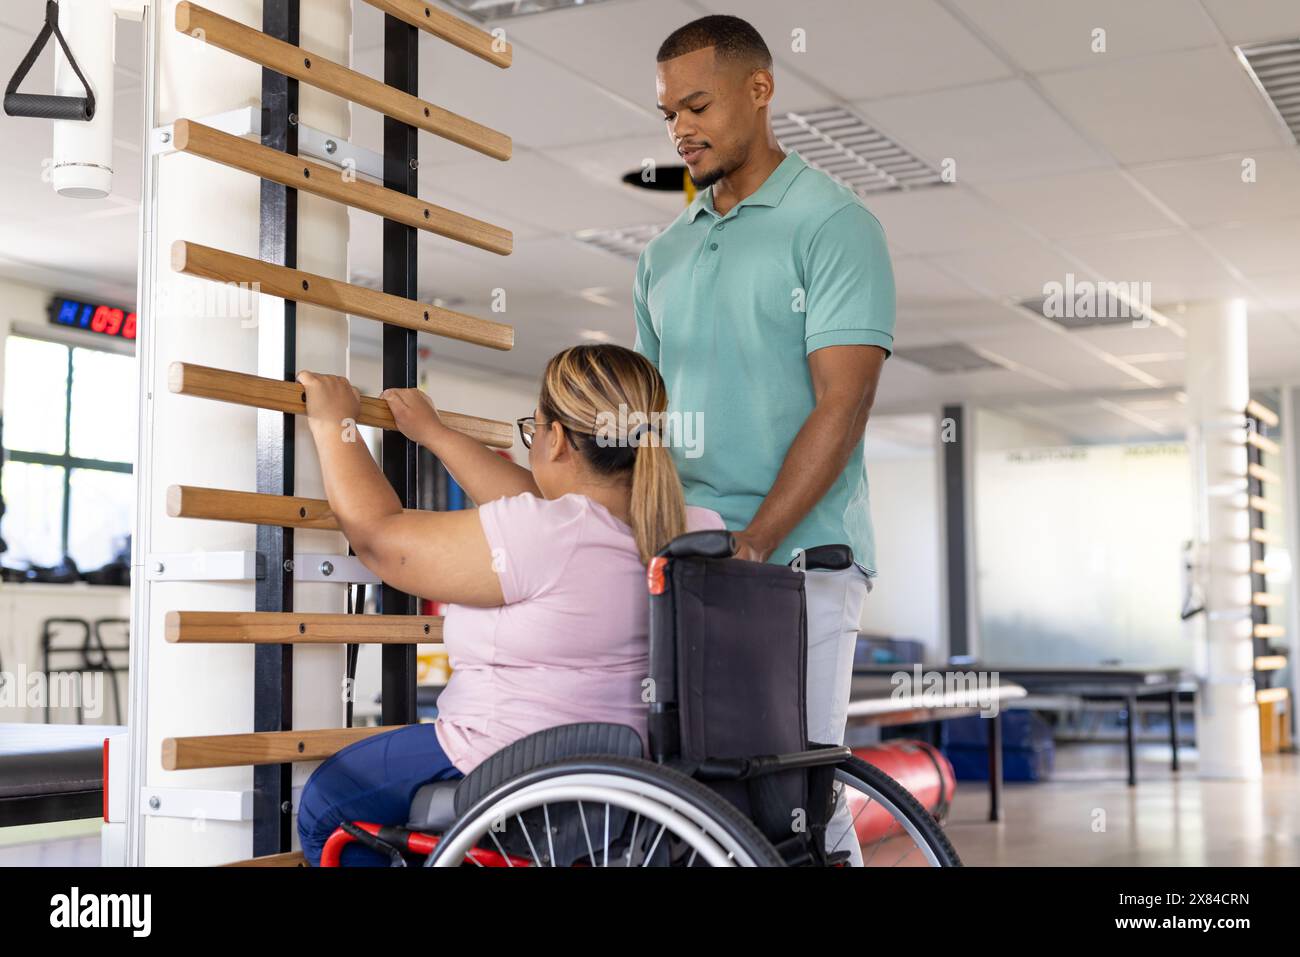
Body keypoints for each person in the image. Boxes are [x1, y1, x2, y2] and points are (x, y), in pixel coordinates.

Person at [294, 344, 724, 866]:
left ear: (558, 439)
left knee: (325, 802)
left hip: (509, 760)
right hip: (626, 772)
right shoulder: (694, 527)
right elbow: (539, 510)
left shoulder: (552, 534)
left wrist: (335, 423)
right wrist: (437, 435)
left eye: (534, 428)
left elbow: (380, 539)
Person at [636, 15, 897, 864]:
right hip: (692, 558)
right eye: (670, 111)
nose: (681, 128)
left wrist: (755, 542)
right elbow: (650, 423)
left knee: (801, 804)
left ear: (760, 88)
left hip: (797, 561)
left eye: (699, 105)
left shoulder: (833, 224)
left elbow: (843, 404)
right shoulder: (664, 253)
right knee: (699, 803)